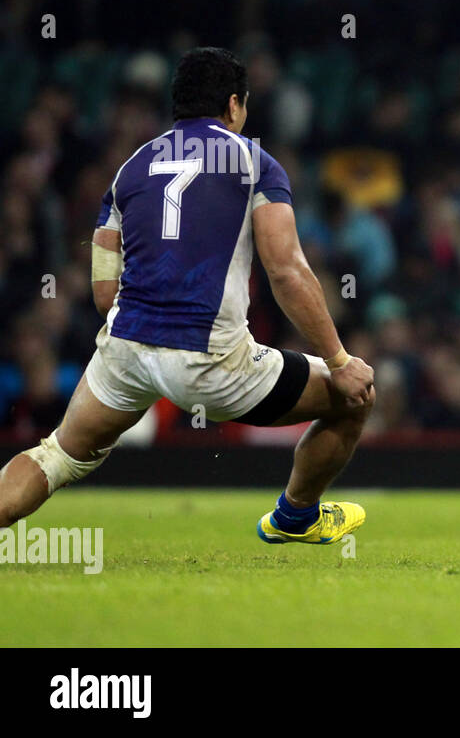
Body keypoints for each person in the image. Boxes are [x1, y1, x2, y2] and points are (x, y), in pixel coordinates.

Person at [0, 47, 376, 545]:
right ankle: (296, 517)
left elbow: (103, 290)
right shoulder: (253, 161)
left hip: (127, 348)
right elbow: (286, 270)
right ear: (235, 104)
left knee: (56, 456)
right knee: (354, 397)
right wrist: (339, 357)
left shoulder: (129, 169)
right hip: (212, 362)